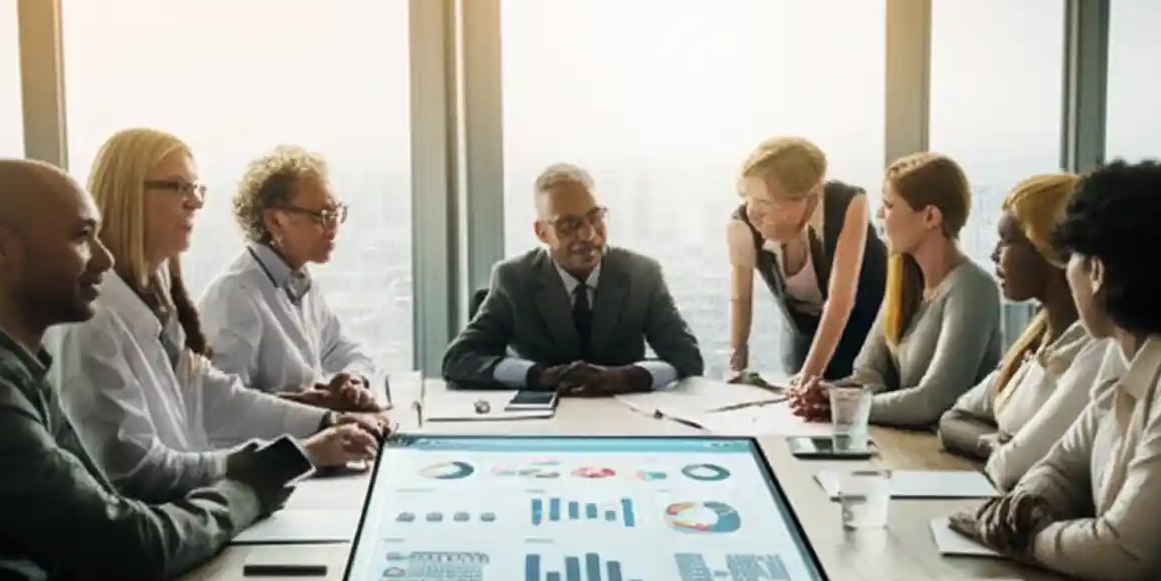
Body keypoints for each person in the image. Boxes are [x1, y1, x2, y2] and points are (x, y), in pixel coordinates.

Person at [0, 159, 289, 581]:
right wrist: (247, 489)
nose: (103, 259)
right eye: (81, 237)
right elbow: (127, 547)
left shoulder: (12, 365)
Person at [949, 160, 1161, 581]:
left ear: (1097, 271)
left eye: (1070, 256)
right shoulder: (1127, 347)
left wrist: (1021, 540)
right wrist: (1029, 501)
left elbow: (1126, 550)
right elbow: (1065, 465)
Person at [52, 128, 383, 504]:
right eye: (179, 187)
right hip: (169, 526)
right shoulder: (90, 320)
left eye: (196, 189)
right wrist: (301, 454)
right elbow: (136, 472)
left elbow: (214, 397)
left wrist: (328, 423)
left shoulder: (156, 296)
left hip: (196, 510)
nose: (194, 203)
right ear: (128, 193)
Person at [442, 163, 704, 394]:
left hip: (622, 425)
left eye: (595, 217)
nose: (588, 235)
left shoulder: (641, 275)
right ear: (542, 232)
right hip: (541, 429)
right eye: (569, 225)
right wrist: (537, 376)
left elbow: (687, 359)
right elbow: (459, 359)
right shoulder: (514, 279)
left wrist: (625, 377)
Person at [792, 151, 1001, 426]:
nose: (880, 214)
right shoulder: (903, 281)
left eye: (889, 205)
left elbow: (933, 401)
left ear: (930, 216)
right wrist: (828, 394)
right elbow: (867, 375)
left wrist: (842, 405)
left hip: (945, 460)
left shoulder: (973, 289)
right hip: (901, 446)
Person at [938, 174, 1107, 489]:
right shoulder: (1037, 339)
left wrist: (1007, 449)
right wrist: (996, 444)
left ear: (1049, 248)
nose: (993, 254)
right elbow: (953, 418)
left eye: (1007, 240)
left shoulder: (1092, 348)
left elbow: (1016, 467)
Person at [199, 145, 382, 412]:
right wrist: (314, 406)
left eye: (335, 214)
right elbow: (223, 408)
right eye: (321, 216)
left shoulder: (301, 283)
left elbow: (350, 352)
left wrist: (354, 382)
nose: (333, 227)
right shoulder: (234, 294)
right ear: (275, 220)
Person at [728, 136, 886, 380]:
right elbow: (741, 299)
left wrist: (809, 377)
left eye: (765, 202)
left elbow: (841, 300)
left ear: (809, 198)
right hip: (802, 346)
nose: (753, 212)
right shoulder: (742, 226)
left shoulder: (849, 204)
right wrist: (736, 367)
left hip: (869, 342)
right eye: (747, 198)